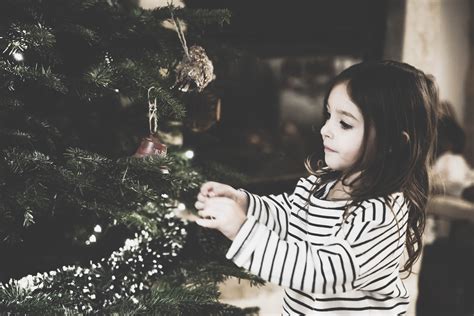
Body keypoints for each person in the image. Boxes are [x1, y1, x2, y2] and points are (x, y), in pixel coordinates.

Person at [194, 60, 438, 315]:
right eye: (328, 115)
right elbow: (287, 216)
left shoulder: (381, 215)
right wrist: (243, 202)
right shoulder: (320, 185)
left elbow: (319, 273)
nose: (325, 130)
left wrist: (242, 230)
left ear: (393, 143)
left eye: (345, 123)